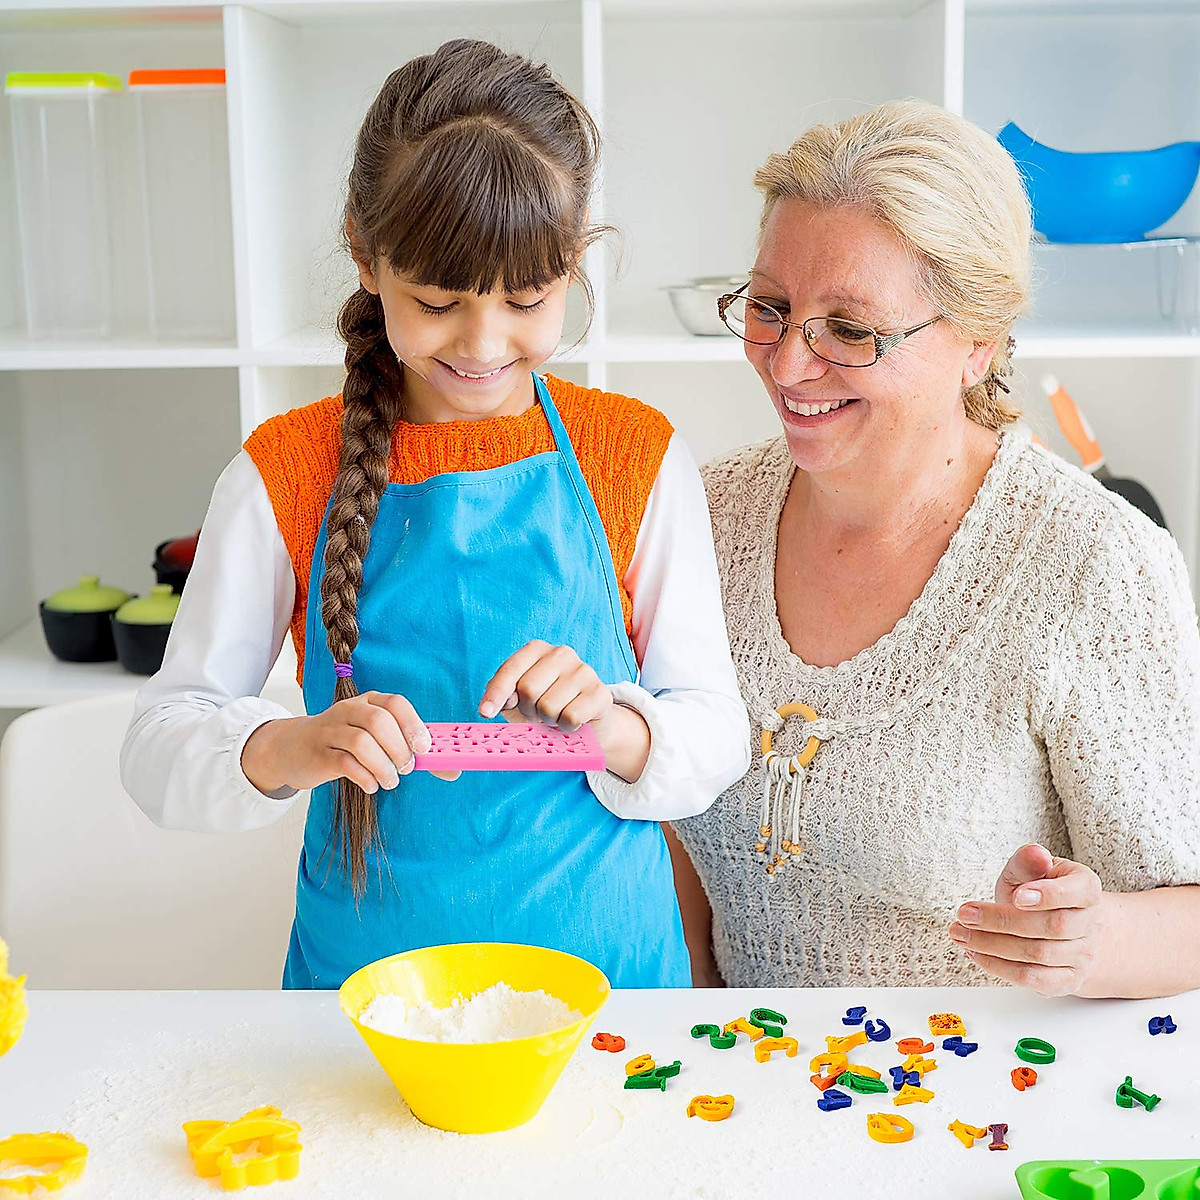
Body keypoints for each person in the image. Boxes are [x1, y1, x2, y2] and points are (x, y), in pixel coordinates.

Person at [121, 39, 748, 990]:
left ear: (574, 266)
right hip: (366, 1003)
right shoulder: (284, 470)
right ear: (367, 259)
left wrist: (612, 726)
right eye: (439, 302)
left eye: (527, 300)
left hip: (615, 999)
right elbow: (160, 743)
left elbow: (715, 734)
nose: (484, 344)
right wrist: (287, 744)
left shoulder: (635, 455)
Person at [666, 99, 1200, 998]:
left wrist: (1090, 939)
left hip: (983, 1115)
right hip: (739, 1099)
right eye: (770, 306)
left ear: (978, 343)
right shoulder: (700, 517)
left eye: (850, 328)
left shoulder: (1092, 564)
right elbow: (678, 845)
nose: (790, 364)